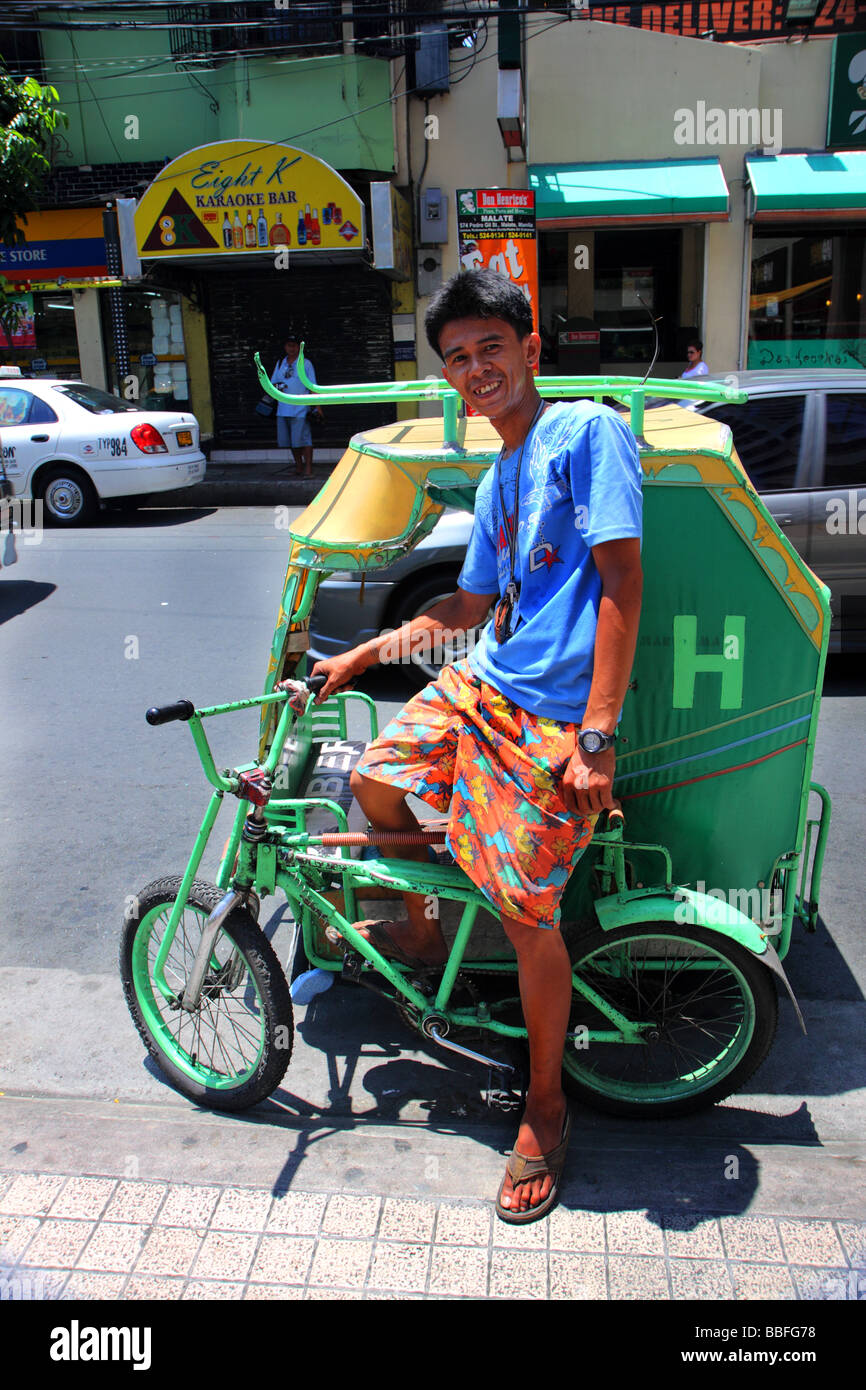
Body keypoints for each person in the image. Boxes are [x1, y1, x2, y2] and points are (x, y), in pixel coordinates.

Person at [296, 270, 643, 1224]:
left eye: (492, 346)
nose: (476, 367)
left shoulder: (586, 432)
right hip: (478, 684)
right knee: (373, 780)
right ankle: (424, 931)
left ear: (531, 351)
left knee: (530, 912)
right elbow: (468, 607)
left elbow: (622, 585)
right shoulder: (498, 476)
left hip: (552, 717)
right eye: (458, 357)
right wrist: (360, 654)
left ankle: (544, 1106)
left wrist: (597, 739)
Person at [271, 333, 323, 478]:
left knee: (304, 439)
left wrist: (318, 407)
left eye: (294, 346)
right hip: (283, 409)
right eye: (289, 345)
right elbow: (273, 383)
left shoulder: (305, 363)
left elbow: (313, 386)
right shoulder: (281, 363)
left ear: (299, 347)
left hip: (300, 408)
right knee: (290, 441)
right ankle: (298, 467)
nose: (291, 348)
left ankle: (308, 469)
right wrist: (278, 387)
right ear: (285, 347)